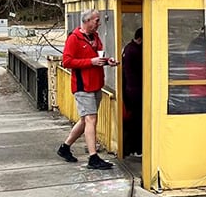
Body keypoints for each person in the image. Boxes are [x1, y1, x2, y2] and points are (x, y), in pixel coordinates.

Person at [57, 9, 118, 169]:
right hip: (82, 86)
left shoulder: (95, 37)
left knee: (86, 120)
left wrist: (107, 61)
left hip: (96, 83)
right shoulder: (74, 38)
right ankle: (93, 157)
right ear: (87, 21)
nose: (99, 23)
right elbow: (67, 61)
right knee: (91, 119)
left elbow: (96, 58)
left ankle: (65, 147)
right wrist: (90, 62)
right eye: (96, 20)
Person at [122, 27, 143, 156]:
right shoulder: (135, 51)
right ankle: (134, 148)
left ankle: (130, 148)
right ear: (141, 39)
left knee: (133, 121)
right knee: (136, 121)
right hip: (135, 91)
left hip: (129, 90)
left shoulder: (128, 48)